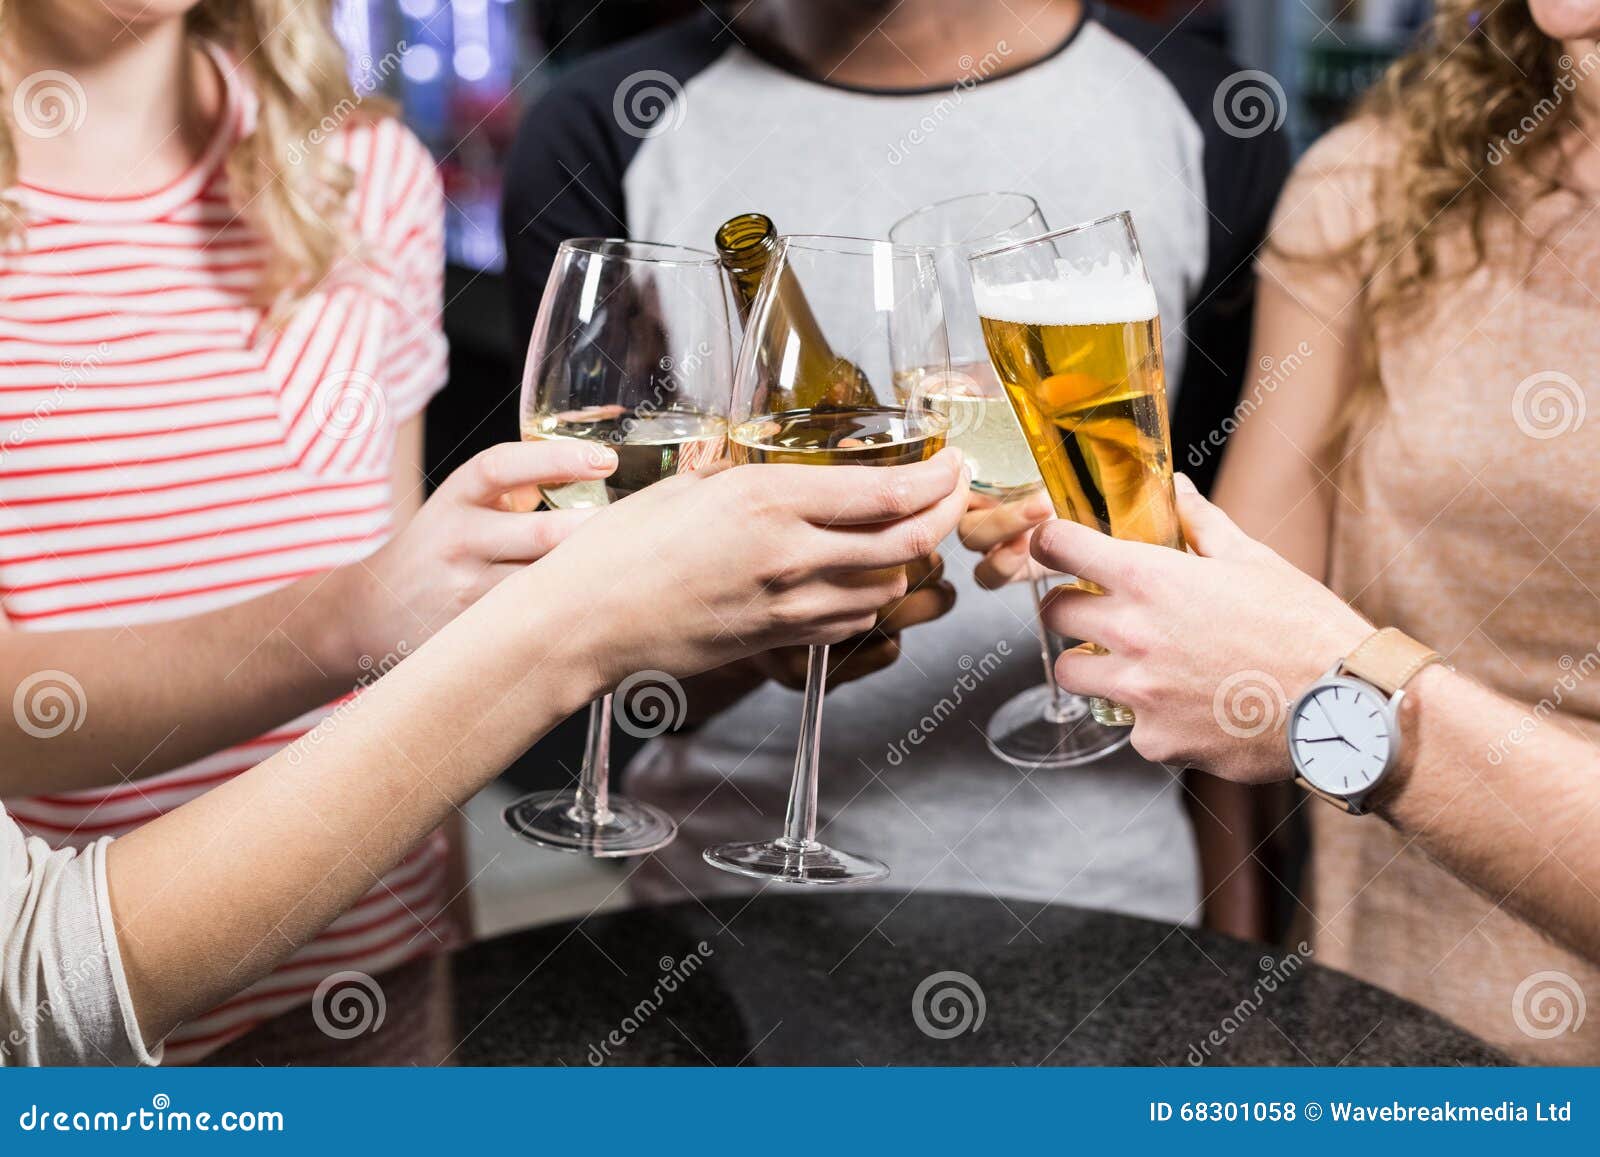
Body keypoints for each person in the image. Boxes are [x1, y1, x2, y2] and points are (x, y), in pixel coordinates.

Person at [503, 0, 1288, 920]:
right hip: (724, 908)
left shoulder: (1203, 108)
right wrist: (751, 639)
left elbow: (1234, 611)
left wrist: (1243, 965)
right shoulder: (606, 119)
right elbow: (555, 635)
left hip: (1115, 905)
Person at [1, 447, 971, 1065]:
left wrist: (373, 609)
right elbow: (40, 992)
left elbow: (389, 644)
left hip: (380, 990)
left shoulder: (360, 172)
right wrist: (568, 629)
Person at [0, 0, 460, 1060]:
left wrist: (441, 956)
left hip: (375, 984)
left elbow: (407, 671)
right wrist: (340, 622)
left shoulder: (363, 170)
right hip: (90, 1036)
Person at [1195, 0, 1600, 1063]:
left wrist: (1384, 729)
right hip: (1380, 1040)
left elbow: (1292, 670)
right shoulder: (1377, 186)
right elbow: (1238, 626)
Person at [1031, 479, 1600, 990]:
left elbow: (1271, 663)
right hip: (1356, 950)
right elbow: (1225, 634)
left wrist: (1332, 690)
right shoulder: (1348, 355)